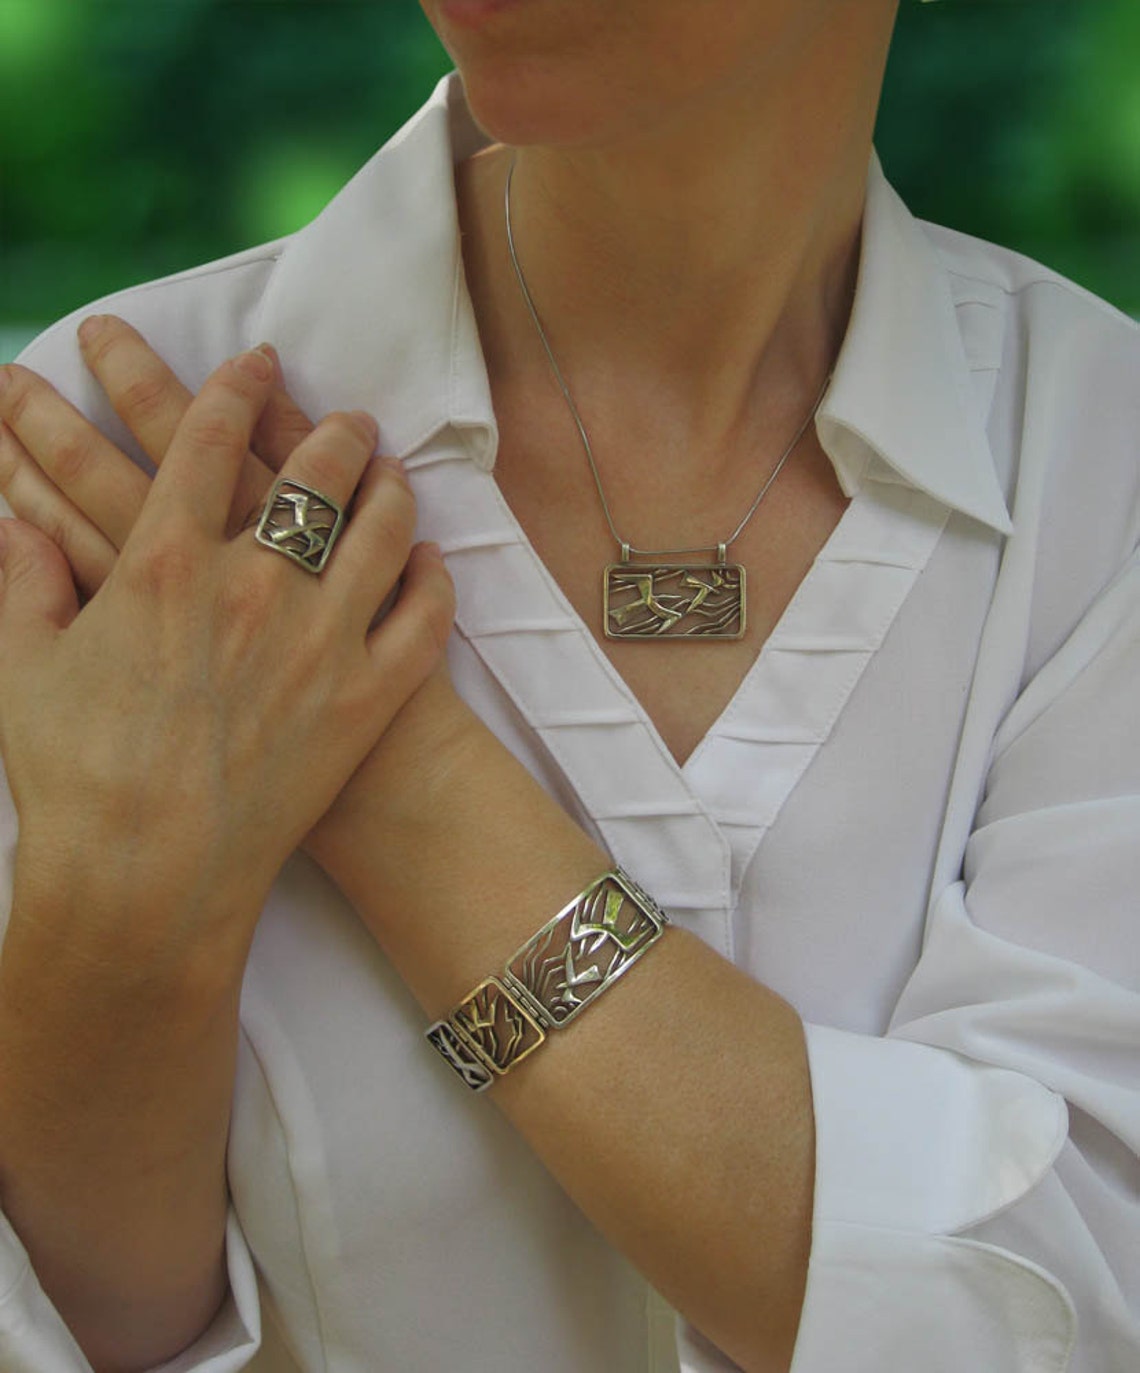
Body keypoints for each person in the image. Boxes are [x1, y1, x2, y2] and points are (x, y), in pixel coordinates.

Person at [0, 0, 1137, 1369]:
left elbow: (1053, 1297)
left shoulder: (1105, 478)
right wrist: (118, 904)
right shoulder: (104, 453)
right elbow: (70, 1324)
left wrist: (394, 778)